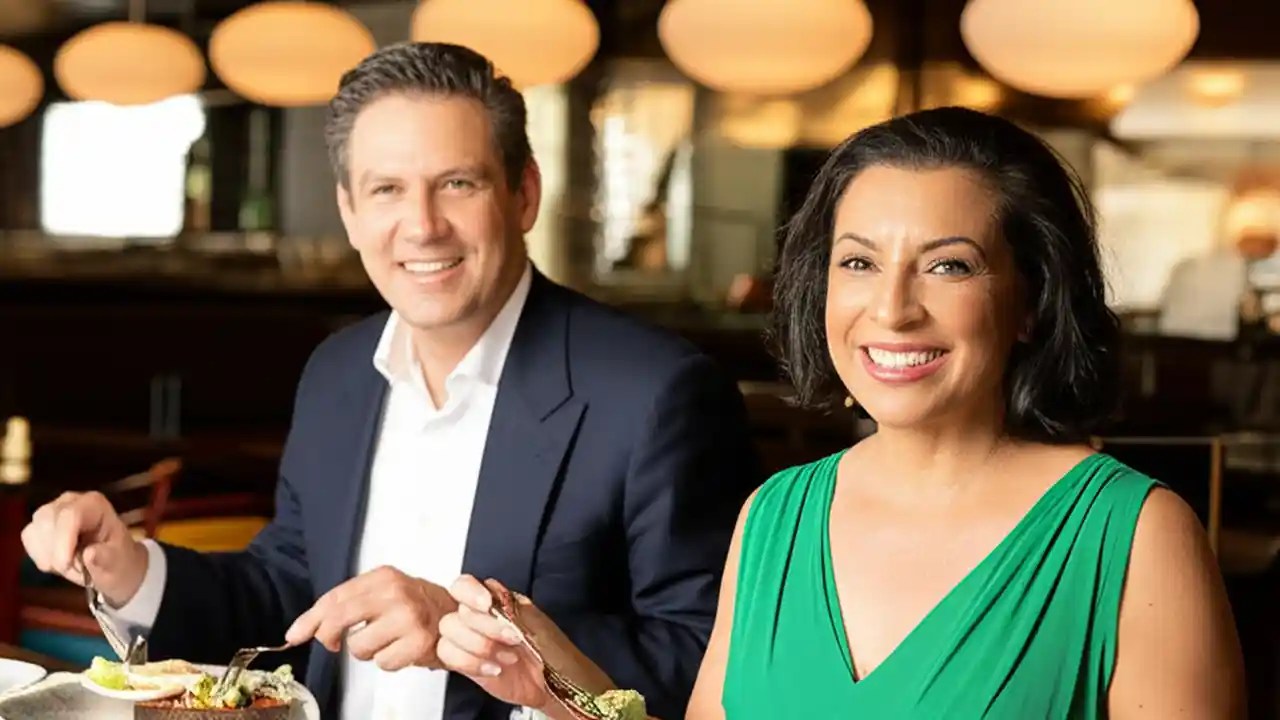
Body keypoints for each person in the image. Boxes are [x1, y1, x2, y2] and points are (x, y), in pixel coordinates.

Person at [21, 42, 761, 720]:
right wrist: (130, 569)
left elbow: (709, 668)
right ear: (348, 211)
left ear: (524, 194)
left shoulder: (656, 393)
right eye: (385, 190)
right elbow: (288, 592)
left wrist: (470, 632)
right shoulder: (338, 373)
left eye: (458, 183)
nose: (422, 225)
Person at [434, 106, 1248, 719]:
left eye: (949, 266)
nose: (891, 309)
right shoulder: (777, 515)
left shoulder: (1132, 534)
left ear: (1031, 301)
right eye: (857, 261)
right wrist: (564, 688)